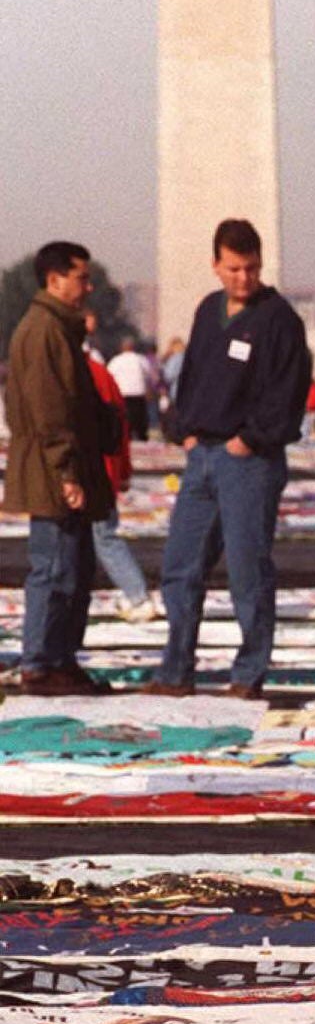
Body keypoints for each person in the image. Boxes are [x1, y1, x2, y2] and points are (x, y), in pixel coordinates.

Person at [145, 218, 309, 699]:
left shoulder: (279, 319)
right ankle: (175, 671)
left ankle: (247, 674)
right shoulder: (207, 310)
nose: (244, 278)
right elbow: (191, 376)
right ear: (216, 265)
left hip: (248, 461)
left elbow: (288, 392)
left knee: (247, 569)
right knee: (180, 566)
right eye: (234, 269)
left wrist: (250, 440)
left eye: (252, 268)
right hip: (202, 456)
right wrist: (185, 431)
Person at [1, 241, 114, 695]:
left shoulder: (56, 329)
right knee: (54, 569)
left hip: (61, 467)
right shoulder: (44, 331)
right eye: (81, 278)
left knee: (74, 567)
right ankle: (41, 663)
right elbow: (50, 410)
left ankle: (60, 659)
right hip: (53, 473)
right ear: (54, 280)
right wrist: (66, 471)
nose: (88, 287)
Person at [84, 318, 156, 623]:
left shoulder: (84, 374)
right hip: (106, 469)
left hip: (91, 473)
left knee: (102, 537)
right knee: (97, 536)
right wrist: (123, 470)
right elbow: (122, 428)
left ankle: (138, 596)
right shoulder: (102, 372)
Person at [107, 336, 154, 443]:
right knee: (139, 416)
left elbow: (109, 374)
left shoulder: (116, 360)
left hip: (123, 392)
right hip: (138, 391)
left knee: (125, 415)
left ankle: (126, 434)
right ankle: (141, 434)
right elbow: (148, 373)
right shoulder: (140, 359)